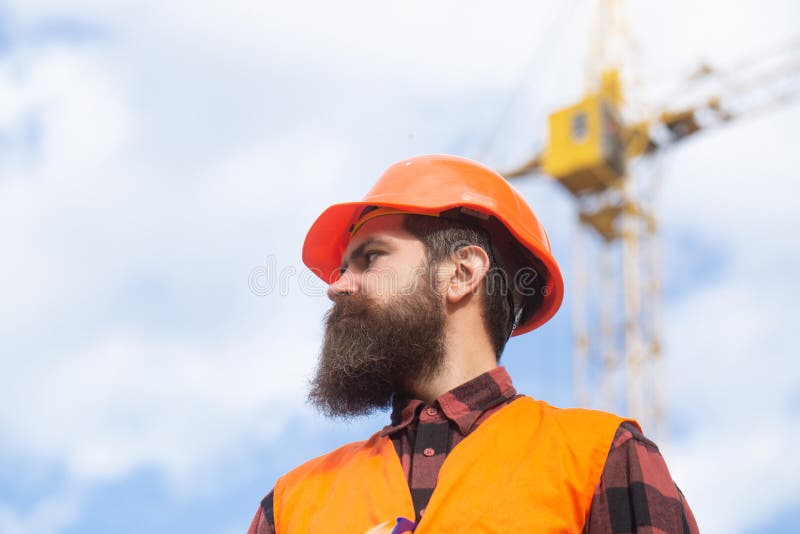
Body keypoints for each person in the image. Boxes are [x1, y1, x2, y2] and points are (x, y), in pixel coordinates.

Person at [248, 154, 698, 533]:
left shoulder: (600, 457)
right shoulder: (292, 506)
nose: (338, 286)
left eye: (371, 258)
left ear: (461, 273)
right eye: (344, 269)